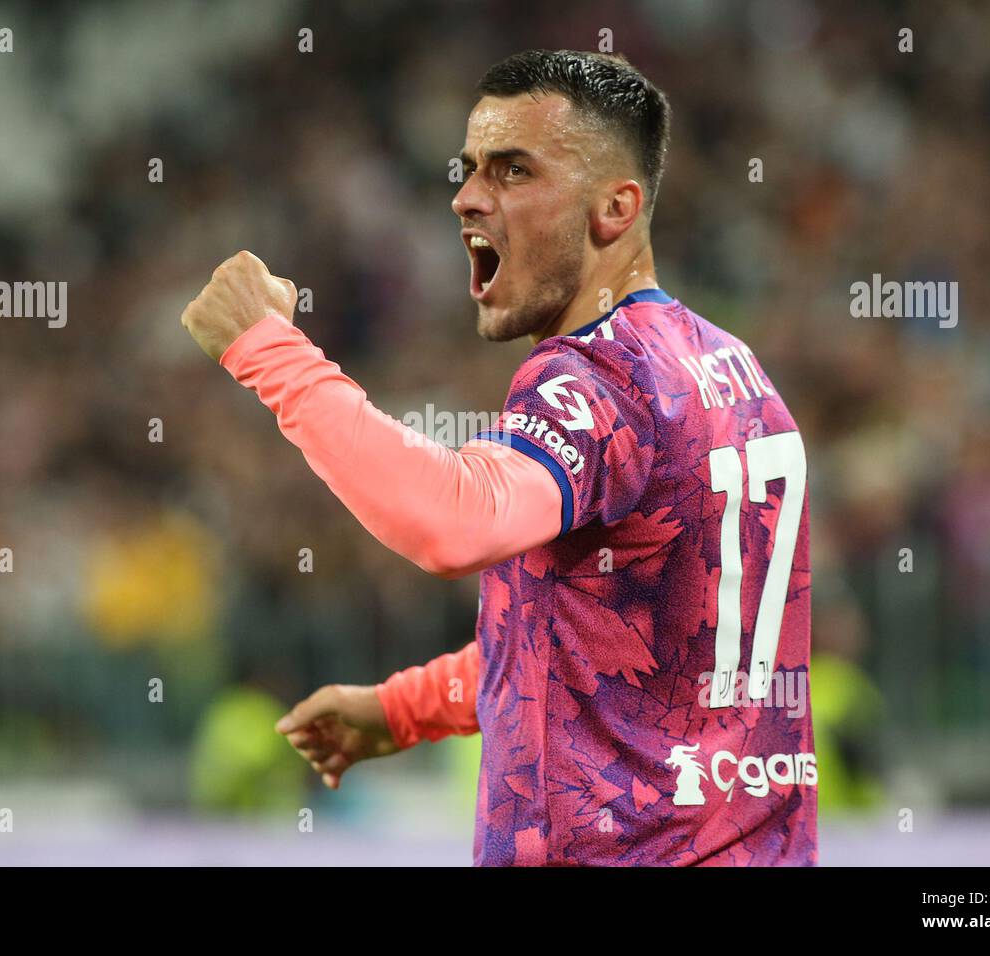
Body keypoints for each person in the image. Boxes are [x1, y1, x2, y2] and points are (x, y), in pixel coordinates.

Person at [181, 49, 815, 865]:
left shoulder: (597, 374)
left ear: (615, 209)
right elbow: (611, 645)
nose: (468, 197)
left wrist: (266, 349)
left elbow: (452, 522)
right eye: (472, 168)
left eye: (514, 172)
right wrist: (405, 708)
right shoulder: (735, 370)